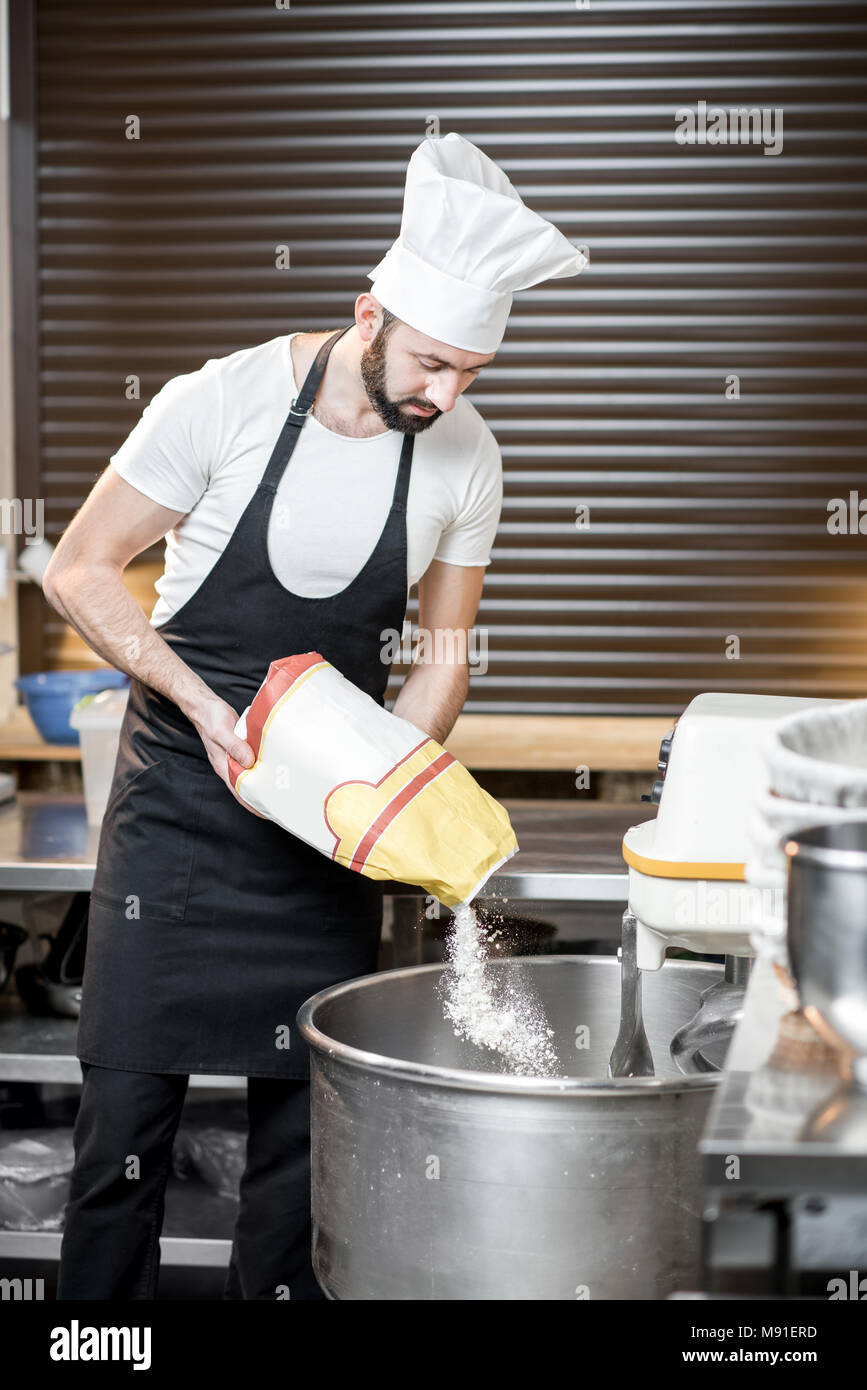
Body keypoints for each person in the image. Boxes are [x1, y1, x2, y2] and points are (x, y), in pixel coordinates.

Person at [47, 132, 585, 1299]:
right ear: (369, 315)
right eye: (432, 363)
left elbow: (443, 659)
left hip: (325, 838)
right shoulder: (222, 399)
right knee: (121, 1142)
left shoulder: (467, 457)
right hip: (179, 817)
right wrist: (206, 709)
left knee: (304, 1163)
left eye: (473, 373)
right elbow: (80, 569)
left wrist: (385, 795)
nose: (446, 395)